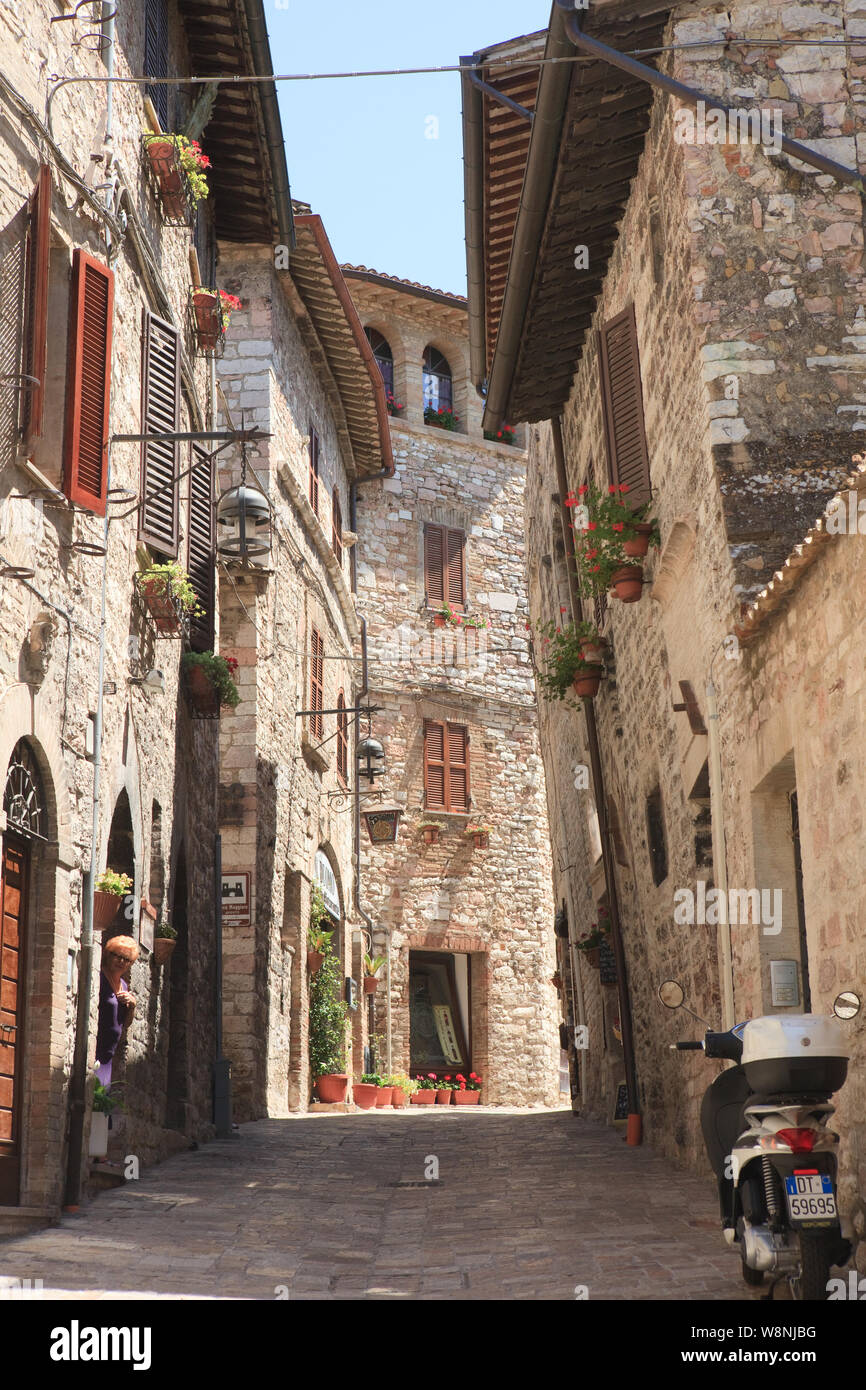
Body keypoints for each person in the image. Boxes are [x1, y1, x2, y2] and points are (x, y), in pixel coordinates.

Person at [95, 934, 139, 1087]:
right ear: (108, 954)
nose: (121, 962)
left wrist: (132, 1005)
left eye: (126, 959)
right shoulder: (99, 978)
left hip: (109, 1054)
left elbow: (125, 1023)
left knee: (101, 1100)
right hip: (95, 1049)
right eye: (117, 956)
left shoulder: (124, 986)